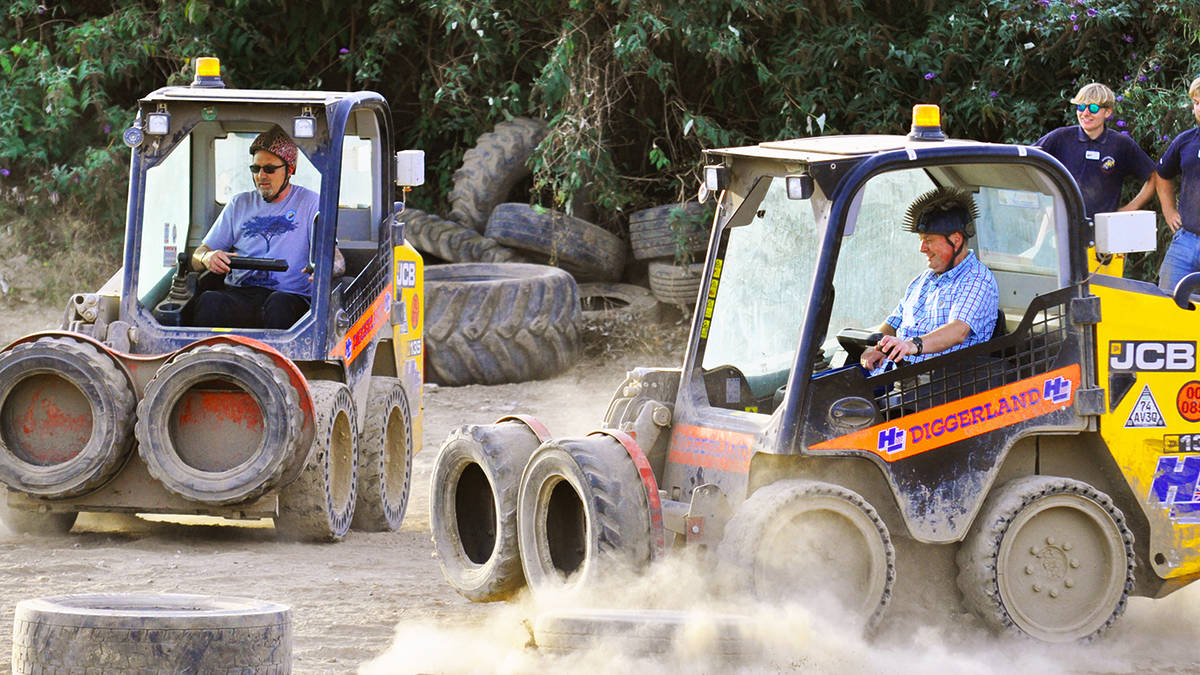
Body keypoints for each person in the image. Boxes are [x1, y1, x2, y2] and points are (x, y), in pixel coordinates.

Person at [191, 127, 333, 329]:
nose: (261, 176)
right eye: (255, 169)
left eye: (269, 169)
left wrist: (327, 269)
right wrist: (207, 258)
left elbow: (335, 257)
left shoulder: (311, 203)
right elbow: (198, 254)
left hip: (291, 297)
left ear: (290, 169)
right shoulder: (239, 204)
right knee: (210, 301)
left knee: (278, 306)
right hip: (241, 293)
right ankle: (210, 360)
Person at [860, 186, 1000, 372]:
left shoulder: (977, 280)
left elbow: (958, 331)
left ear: (956, 240)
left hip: (937, 383)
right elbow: (892, 323)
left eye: (929, 240)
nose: (922, 248)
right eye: (921, 240)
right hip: (893, 374)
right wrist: (875, 347)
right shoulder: (923, 280)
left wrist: (912, 345)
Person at [1035, 82, 1157, 220]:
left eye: (1093, 108)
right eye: (1081, 107)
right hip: (1060, 225)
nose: (1085, 113)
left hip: (1103, 228)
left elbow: (1154, 176)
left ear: (1108, 112)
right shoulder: (1060, 138)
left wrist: (1129, 208)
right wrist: (1040, 203)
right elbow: (1027, 162)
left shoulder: (1121, 144)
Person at [1155, 76, 1200, 293]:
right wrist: (1169, 210)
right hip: (1186, 241)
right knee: (1166, 305)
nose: (1199, 108)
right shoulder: (1186, 141)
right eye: (1197, 103)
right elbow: (1162, 174)